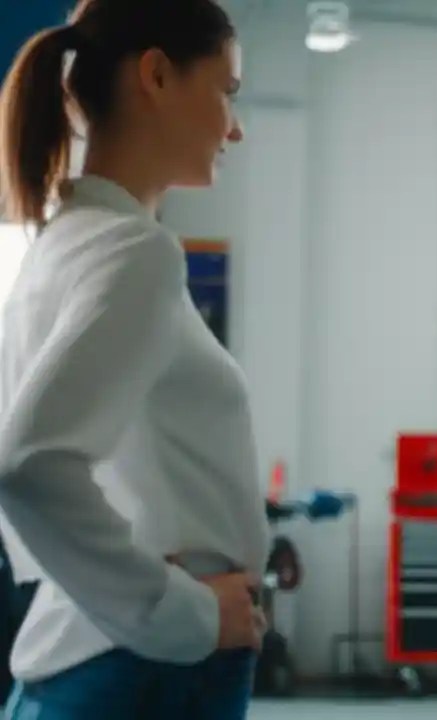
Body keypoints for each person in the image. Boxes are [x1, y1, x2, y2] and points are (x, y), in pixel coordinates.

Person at [0, 0, 268, 716]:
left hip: (98, 652)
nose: (235, 129)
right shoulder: (133, 252)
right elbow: (28, 465)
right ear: (156, 75)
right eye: (227, 92)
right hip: (150, 668)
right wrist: (182, 613)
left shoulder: (64, 244)